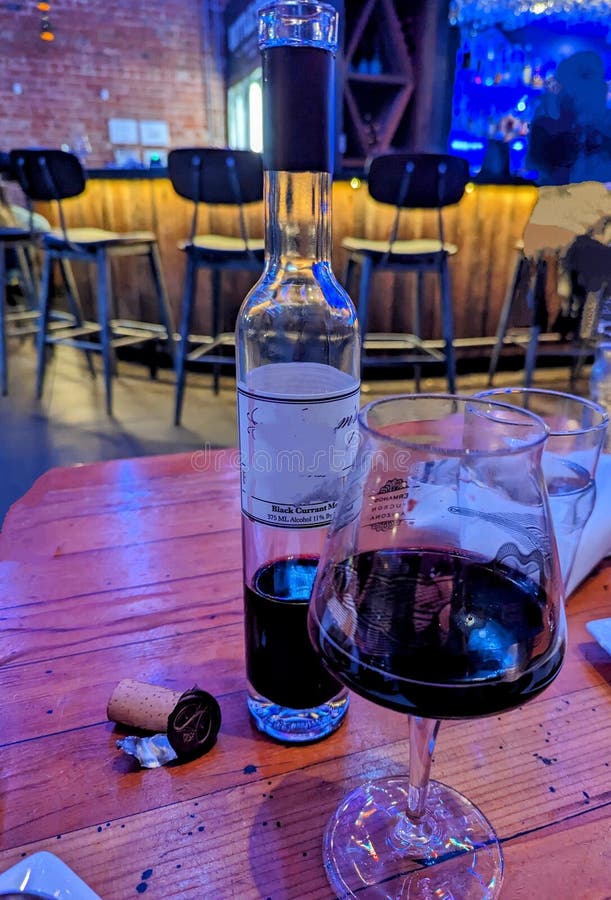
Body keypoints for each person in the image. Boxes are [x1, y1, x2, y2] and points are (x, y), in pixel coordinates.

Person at [527, 51, 611, 186]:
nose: (602, 88)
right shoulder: (548, 126)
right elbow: (543, 172)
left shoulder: (605, 128)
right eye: (588, 79)